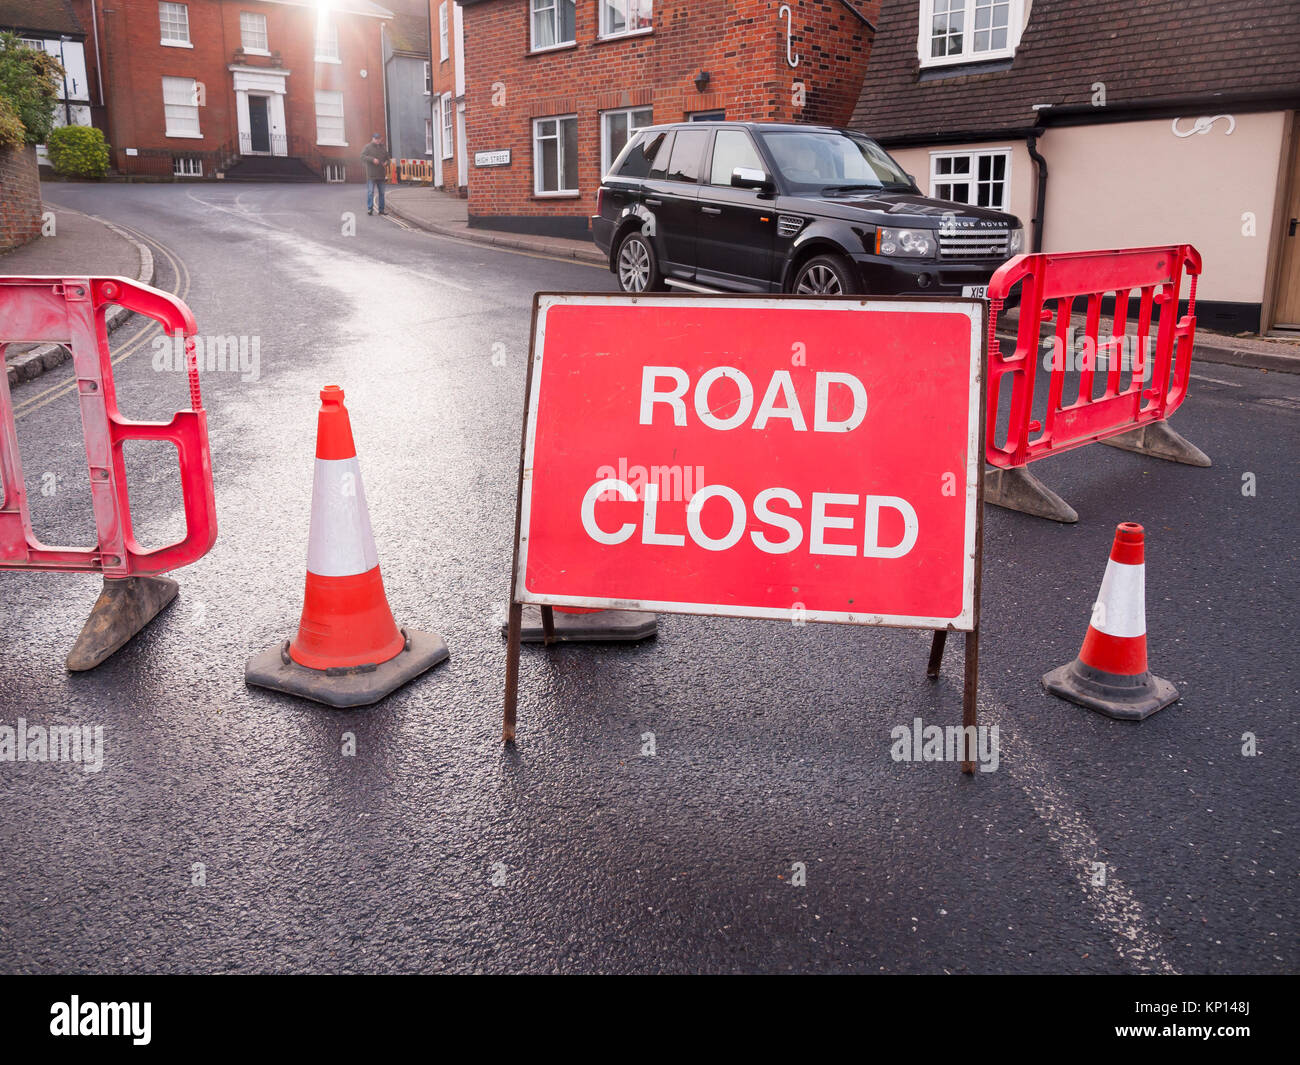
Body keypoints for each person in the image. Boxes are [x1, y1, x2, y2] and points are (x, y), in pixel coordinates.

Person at [361, 133, 391, 216]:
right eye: (376, 138)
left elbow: (388, 159)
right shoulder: (368, 147)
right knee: (370, 192)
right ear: (372, 139)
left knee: (382, 193)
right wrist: (372, 159)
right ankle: (370, 209)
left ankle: (381, 210)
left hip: (381, 174)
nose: (377, 140)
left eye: (379, 139)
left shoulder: (383, 148)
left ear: (380, 139)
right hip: (371, 174)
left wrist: (386, 163)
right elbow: (362, 156)